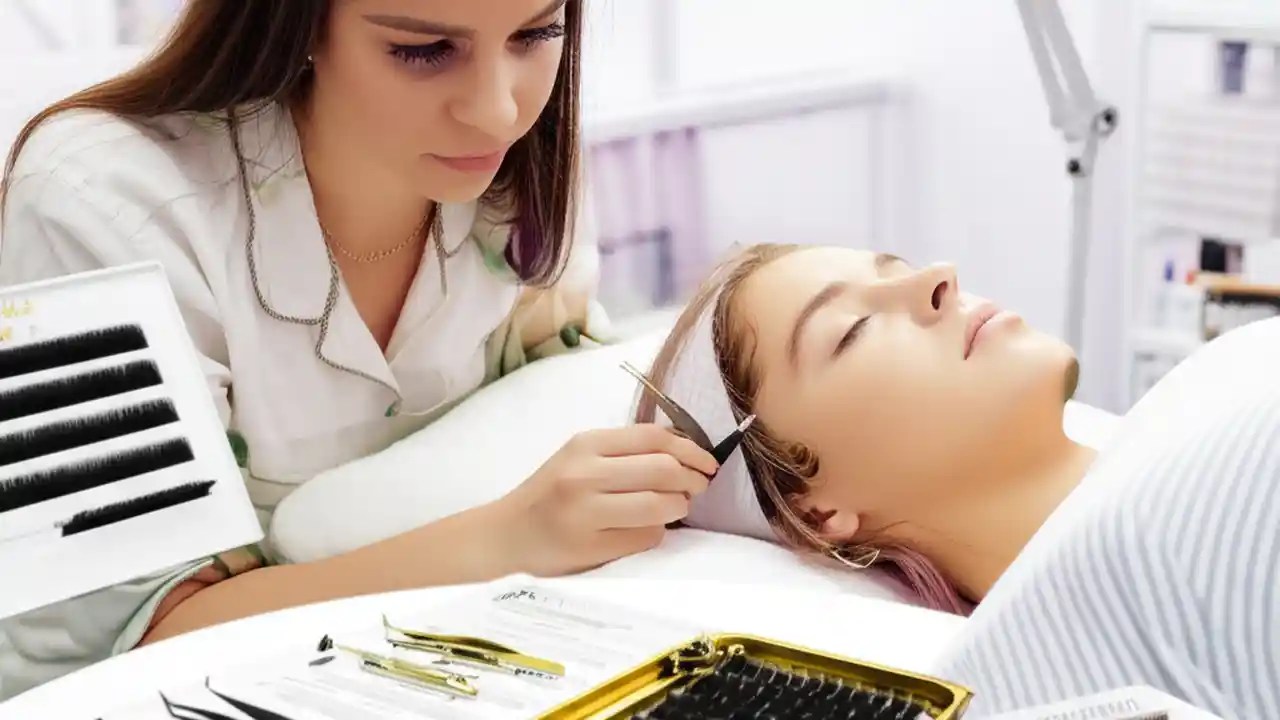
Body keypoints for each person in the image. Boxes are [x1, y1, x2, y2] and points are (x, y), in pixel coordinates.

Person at [0, 1, 716, 699]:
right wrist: (504, 540)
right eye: (423, 50)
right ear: (296, 20)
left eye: (536, 33)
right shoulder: (99, 203)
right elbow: (134, 643)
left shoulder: (509, 164)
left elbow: (553, 409)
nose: (498, 109)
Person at [639, 242, 1280, 717]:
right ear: (814, 510)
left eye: (899, 269)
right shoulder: (1034, 665)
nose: (939, 277)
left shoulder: (1213, 381)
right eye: (853, 330)